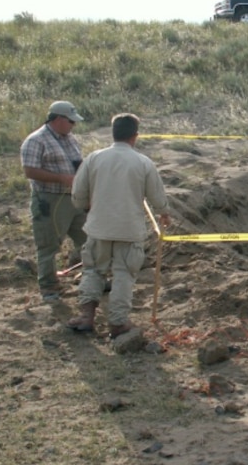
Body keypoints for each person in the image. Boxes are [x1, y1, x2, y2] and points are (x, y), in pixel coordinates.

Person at [67, 113, 171, 338]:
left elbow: (77, 194)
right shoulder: (143, 162)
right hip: (129, 229)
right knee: (124, 275)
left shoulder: (94, 158)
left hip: (98, 227)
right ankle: (118, 322)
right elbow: (157, 197)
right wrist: (164, 213)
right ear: (135, 136)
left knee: (93, 270)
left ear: (112, 133)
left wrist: (86, 207)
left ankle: (86, 316)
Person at [20, 101, 87, 301]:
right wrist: (61, 178)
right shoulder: (36, 140)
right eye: (70, 122)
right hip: (50, 199)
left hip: (75, 199)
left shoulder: (70, 139)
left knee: (89, 240)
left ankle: (91, 278)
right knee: (48, 245)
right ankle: (49, 288)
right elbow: (29, 171)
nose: (73, 125)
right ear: (58, 119)